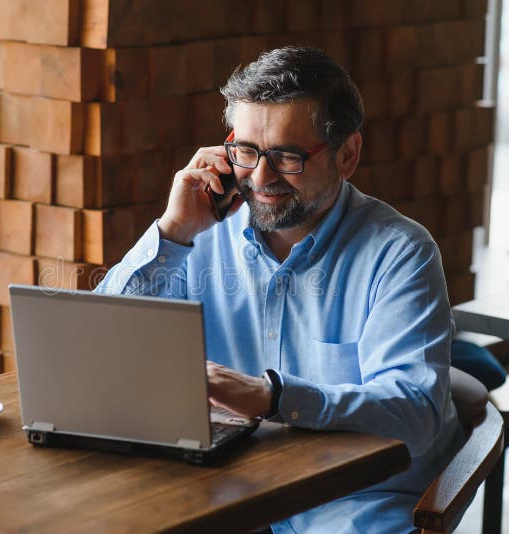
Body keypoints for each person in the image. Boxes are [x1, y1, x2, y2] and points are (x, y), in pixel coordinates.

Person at [94, 46, 463, 533]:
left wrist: (273, 397)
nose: (261, 178)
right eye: (245, 151)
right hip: (226, 487)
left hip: (355, 499)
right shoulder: (197, 233)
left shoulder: (400, 253)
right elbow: (100, 348)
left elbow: (415, 412)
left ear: (347, 154)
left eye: (287, 157)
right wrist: (172, 232)